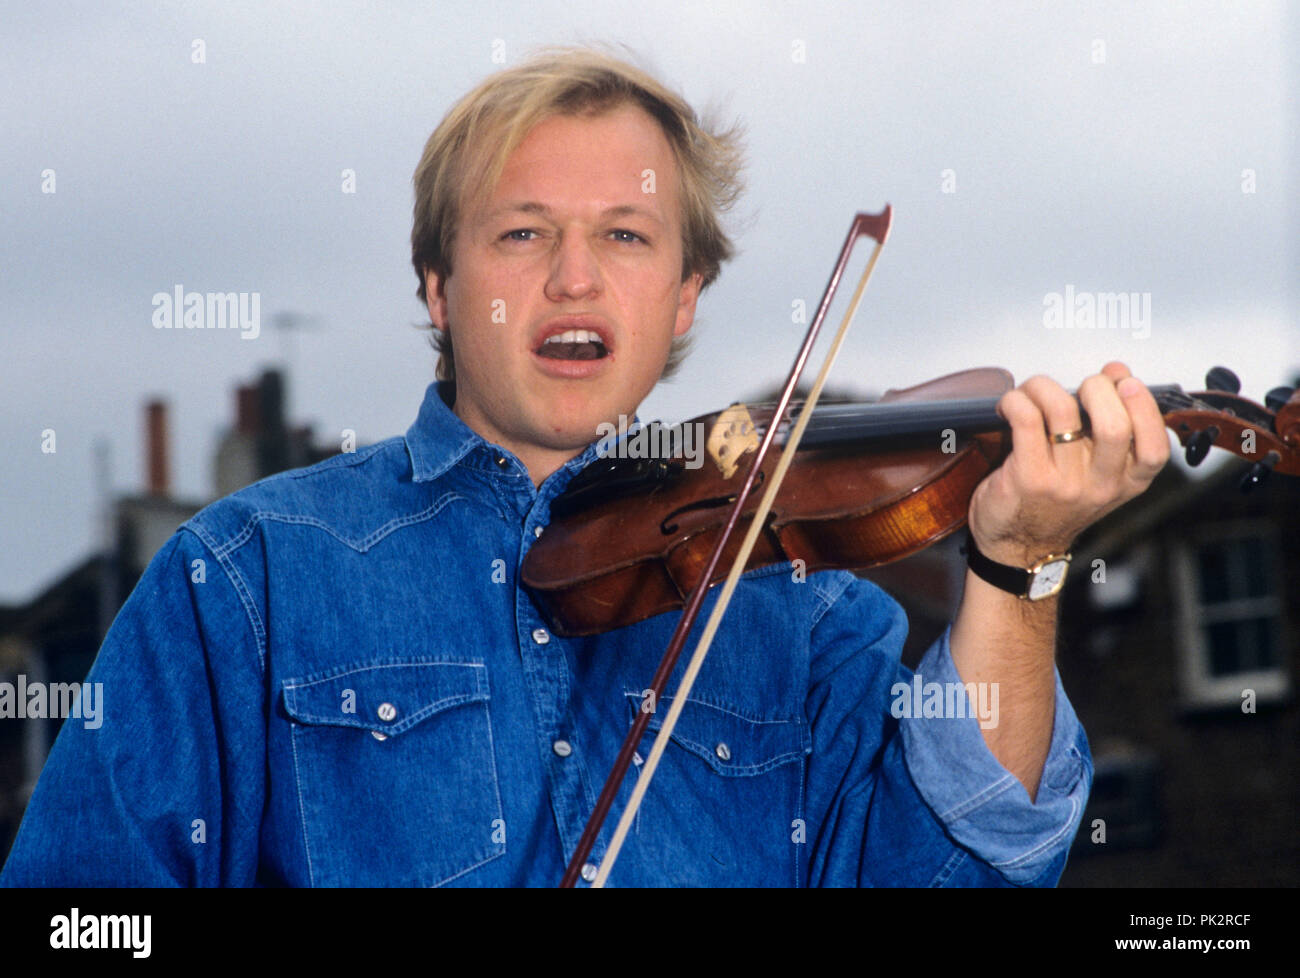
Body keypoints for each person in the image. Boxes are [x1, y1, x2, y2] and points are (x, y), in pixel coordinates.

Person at [1, 47, 1169, 887]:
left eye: (625, 235)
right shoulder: (247, 577)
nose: (573, 277)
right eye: (522, 233)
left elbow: (967, 871)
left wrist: (1017, 569)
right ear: (439, 291)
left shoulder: (811, 612)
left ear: (680, 300)